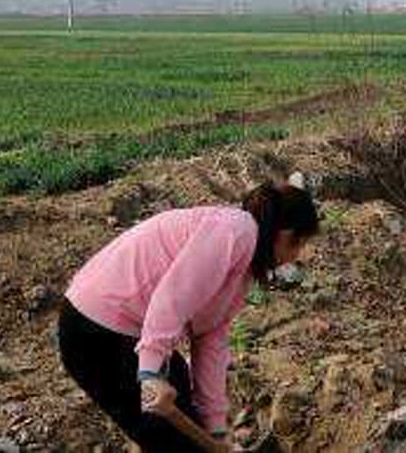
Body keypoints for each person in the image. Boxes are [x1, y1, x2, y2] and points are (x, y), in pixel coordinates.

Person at [57, 176, 320, 451]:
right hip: (94, 330)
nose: (294, 257)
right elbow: (172, 296)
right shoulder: (236, 230)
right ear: (286, 235)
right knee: (170, 440)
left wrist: (215, 429)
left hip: (124, 331)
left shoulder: (242, 268)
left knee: (180, 385)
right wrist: (150, 373)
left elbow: (211, 338)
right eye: (298, 246)